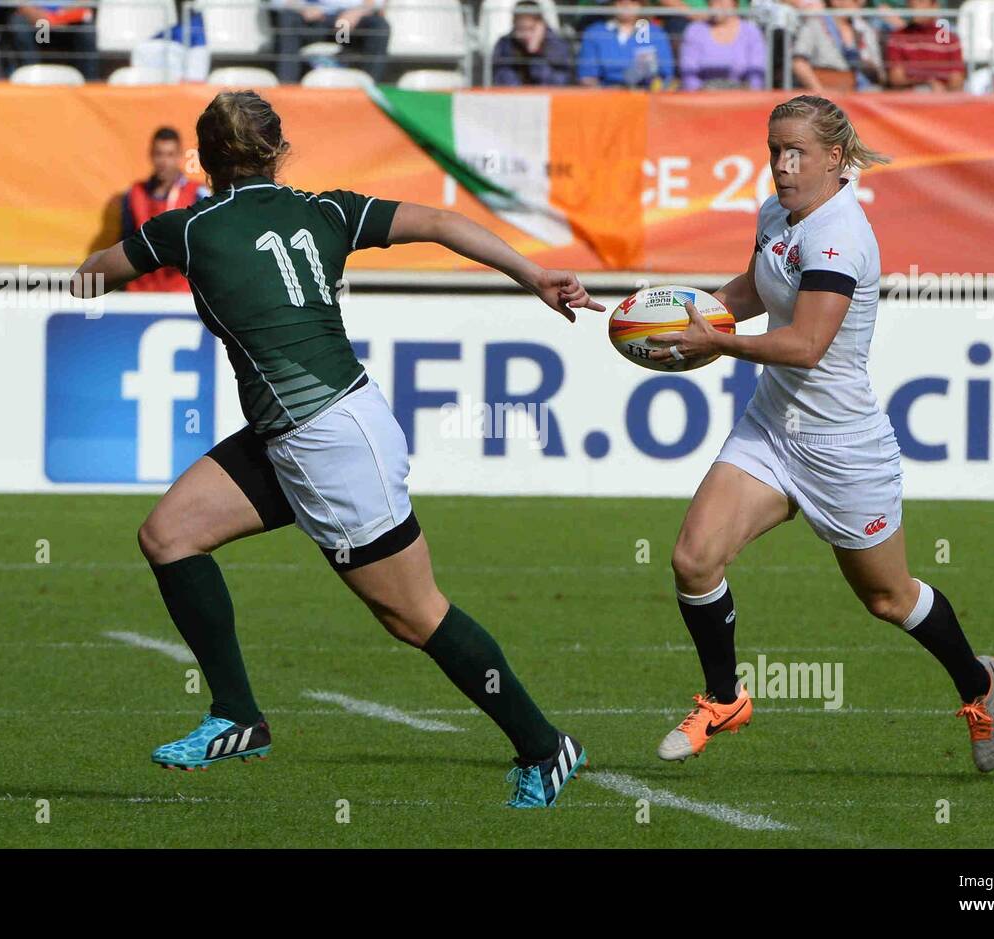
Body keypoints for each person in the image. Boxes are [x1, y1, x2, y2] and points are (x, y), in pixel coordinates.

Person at [71, 91, 603, 808]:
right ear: (277, 151)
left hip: (327, 442)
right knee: (169, 535)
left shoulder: (187, 228)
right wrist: (534, 275)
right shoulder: (326, 210)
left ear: (206, 159)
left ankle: (544, 746)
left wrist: (74, 273)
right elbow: (442, 221)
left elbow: (90, 275)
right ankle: (236, 715)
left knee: (415, 615)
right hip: (303, 432)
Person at [645, 95, 994, 774]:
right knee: (694, 558)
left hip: (843, 448)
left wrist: (716, 346)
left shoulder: (840, 235)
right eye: (774, 149)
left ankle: (977, 681)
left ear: (834, 158)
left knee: (888, 597)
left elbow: (808, 343)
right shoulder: (777, 213)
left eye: (796, 153)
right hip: (771, 430)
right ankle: (725, 698)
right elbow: (754, 291)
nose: (781, 165)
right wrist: (690, 316)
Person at [121, 128, 211, 293]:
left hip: (181, 294)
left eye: (170, 155)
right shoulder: (134, 194)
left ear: (179, 157)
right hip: (140, 294)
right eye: (159, 154)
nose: (163, 161)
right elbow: (124, 246)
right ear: (151, 155)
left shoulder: (198, 194)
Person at [270, 0, 390, 84]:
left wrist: (357, 12)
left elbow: (376, 4)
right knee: (288, 20)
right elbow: (277, 2)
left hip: (347, 26)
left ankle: (372, 90)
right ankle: (287, 86)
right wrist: (301, 7)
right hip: (314, 23)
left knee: (379, 26)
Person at [577, 0, 676, 89]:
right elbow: (587, 77)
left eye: (633, 0)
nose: (626, 4)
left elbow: (666, 76)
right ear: (611, 3)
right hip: (606, 98)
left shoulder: (656, 33)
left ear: (642, 4)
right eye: (620, 0)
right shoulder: (595, 32)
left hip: (646, 97)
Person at [791, 0, 884, 92]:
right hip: (824, 90)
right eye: (854, 0)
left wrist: (869, 67)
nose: (860, 2)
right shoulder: (815, 24)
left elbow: (881, 74)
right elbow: (799, 62)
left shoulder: (865, 30)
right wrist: (819, 92)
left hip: (859, 92)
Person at [679, 0, 768, 90]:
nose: (715, 6)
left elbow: (757, 78)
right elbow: (688, 77)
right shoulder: (695, 30)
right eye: (712, 2)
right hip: (703, 97)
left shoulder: (751, 31)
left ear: (734, 3)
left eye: (721, 1)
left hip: (742, 97)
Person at [884, 0, 965, 92]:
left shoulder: (951, 39)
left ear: (934, 6)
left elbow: (957, 79)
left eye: (920, 2)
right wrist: (926, 85)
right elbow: (896, 77)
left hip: (943, 100)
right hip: (910, 99)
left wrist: (941, 90)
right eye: (910, 3)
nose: (914, 7)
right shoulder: (898, 37)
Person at [492, 1, 574, 87]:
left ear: (542, 24)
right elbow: (502, 79)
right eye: (520, 29)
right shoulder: (505, 44)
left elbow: (559, 82)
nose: (526, 35)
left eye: (531, 29)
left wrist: (536, 55)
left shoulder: (558, 45)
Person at [10, 2, 98, 80]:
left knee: (87, 32)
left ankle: (89, 81)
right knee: (19, 26)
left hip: (70, 17)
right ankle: (29, 78)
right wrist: (37, 15)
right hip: (34, 17)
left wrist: (62, 15)